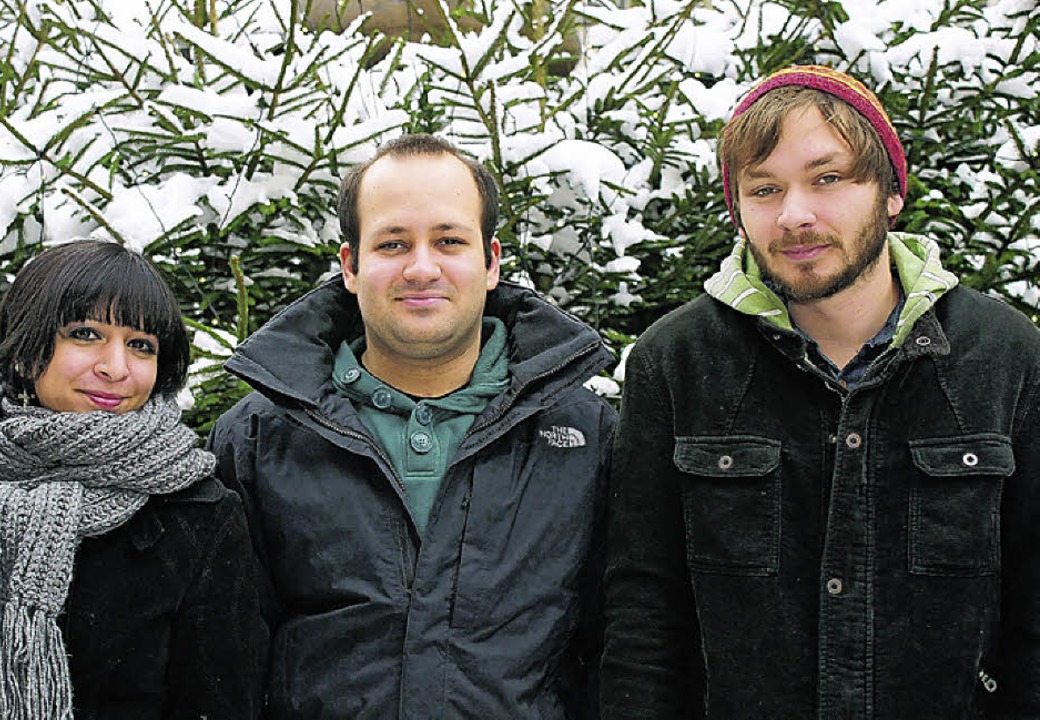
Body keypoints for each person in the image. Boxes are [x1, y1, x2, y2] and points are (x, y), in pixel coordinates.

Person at [601, 65, 1040, 719]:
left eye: (827, 178)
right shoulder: (678, 361)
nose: (794, 215)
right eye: (764, 189)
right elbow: (643, 614)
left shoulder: (1003, 356)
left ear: (891, 193)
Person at [209, 133, 616, 718]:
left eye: (449, 241)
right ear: (350, 265)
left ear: (491, 261)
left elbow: (623, 647)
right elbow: (225, 661)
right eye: (393, 244)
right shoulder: (258, 439)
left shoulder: (583, 437)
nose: (422, 268)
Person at [0, 239, 266, 719]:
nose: (115, 368)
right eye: (85, 334)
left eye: (141, 345)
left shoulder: (197, 516)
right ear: (29, 348)